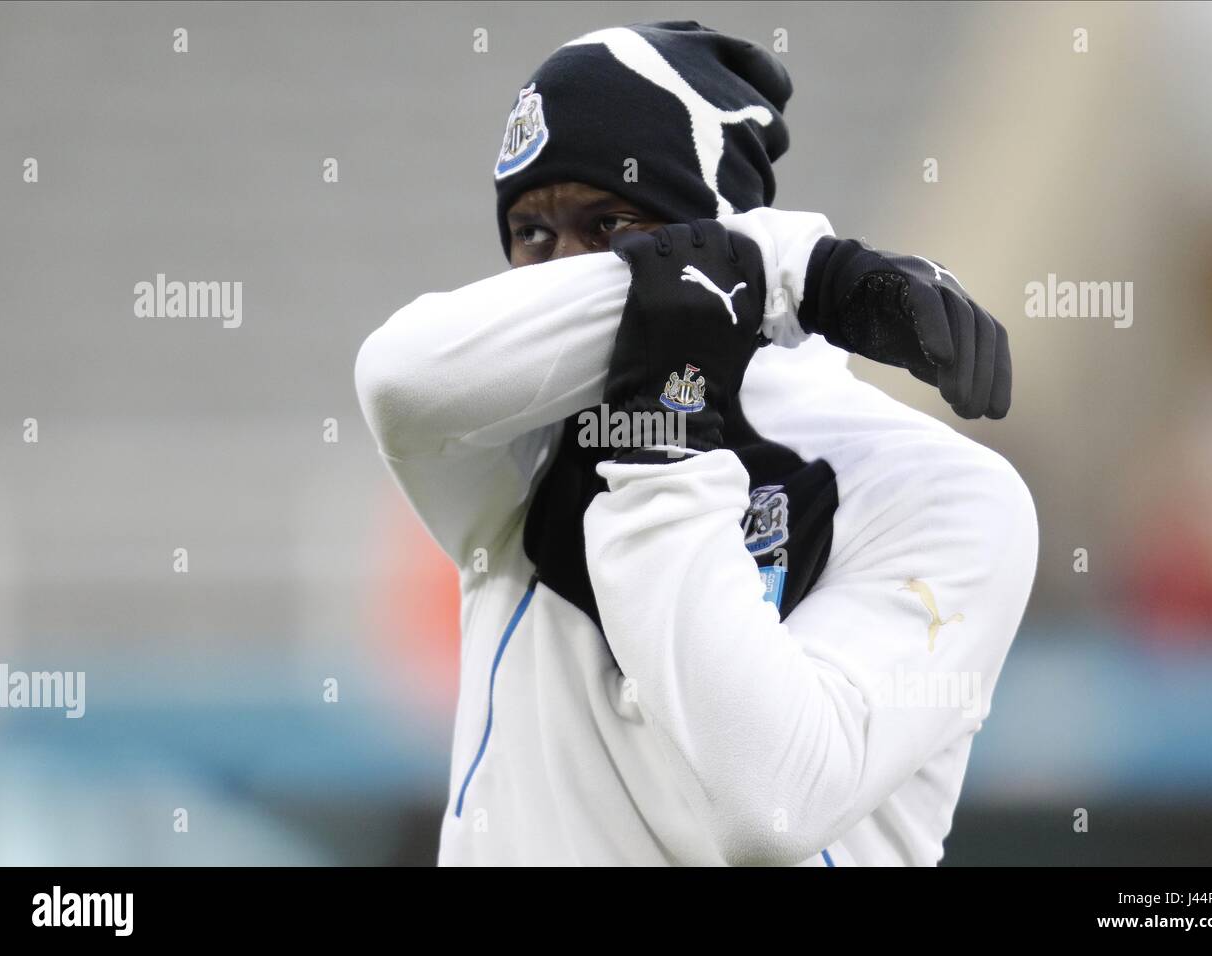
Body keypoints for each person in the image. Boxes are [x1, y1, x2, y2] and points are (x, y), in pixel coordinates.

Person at [355, 21, 1037, 866]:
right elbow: (397, 376)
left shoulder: (942, 490)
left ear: (705, 226)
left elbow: (771, 808)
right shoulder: (517, 440)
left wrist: (665, 456)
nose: (564, 274)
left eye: (608, 227)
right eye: (532, 236)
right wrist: (796, 267)